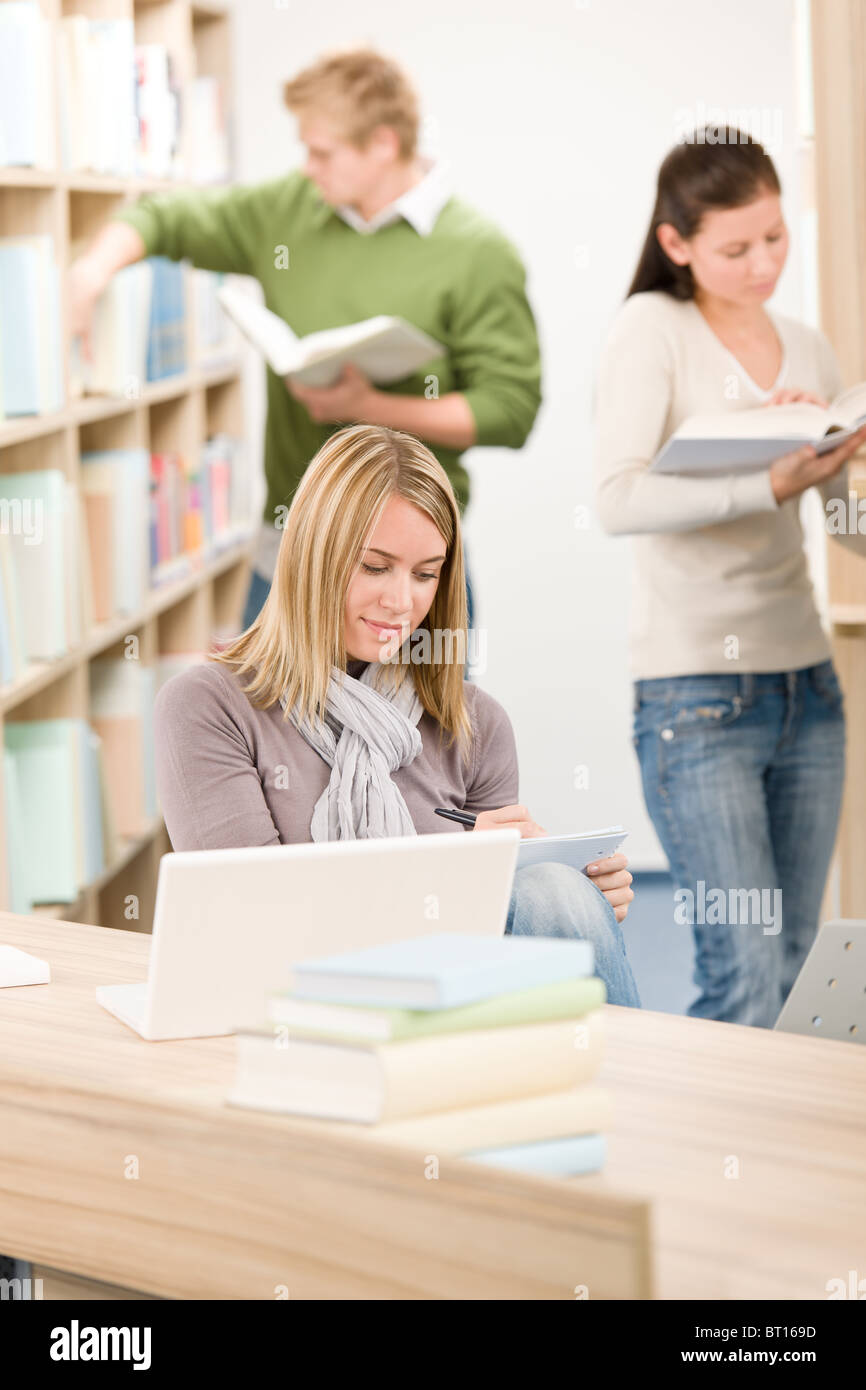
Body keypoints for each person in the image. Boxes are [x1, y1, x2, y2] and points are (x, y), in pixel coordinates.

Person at [153, 424, 639, 1005]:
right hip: (293, 1009)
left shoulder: (475, 722)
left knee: (555, 892)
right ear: (314, 555)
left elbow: (488, 954)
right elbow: (252, 923)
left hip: (452, 1002)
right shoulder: (208, 706)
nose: (401, 601)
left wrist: (575, 892)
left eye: (425, 573)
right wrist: (454, 867)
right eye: (375, 566)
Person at [67, 46, 542, 632]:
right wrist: (91, 272)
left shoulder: (477, 252)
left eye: (322, 152)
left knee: (420, 727)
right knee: (259, 724)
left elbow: (511, 409)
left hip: (410, 563)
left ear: (384, 145)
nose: (308, 167)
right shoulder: (290, 210)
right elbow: (167, 219)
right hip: (288, 551)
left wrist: (370, 408)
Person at [594, 127, 866, 1028]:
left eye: (776, 238)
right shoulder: (651, 329)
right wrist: (767, 478)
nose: (764, 264)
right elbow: (619, 500)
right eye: (736, 247)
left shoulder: (807, 346)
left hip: (807, 686)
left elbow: (840, 530)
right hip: (695, 694)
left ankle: (783, 1171)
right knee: (743, 970)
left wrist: (846, 476)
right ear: (677, 244)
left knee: (798, 968)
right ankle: (717, 1171)